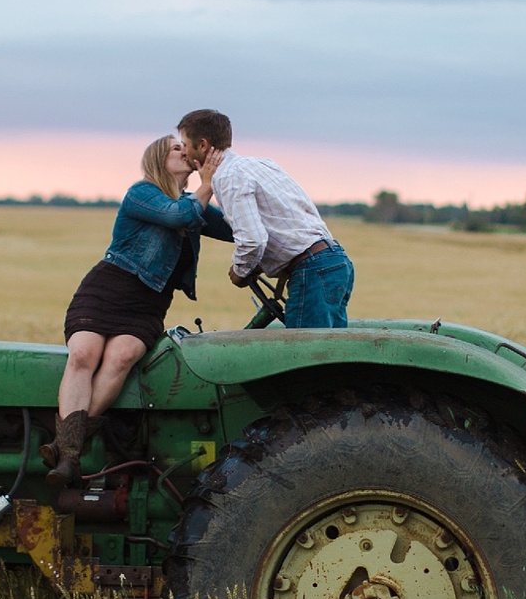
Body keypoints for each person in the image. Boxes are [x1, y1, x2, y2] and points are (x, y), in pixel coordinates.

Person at [45, 135, 232, 487]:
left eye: (186, 147)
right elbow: (179, 215)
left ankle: (64, 447)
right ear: (159, 159)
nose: (184, 151)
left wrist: (223, 180)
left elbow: (234, 227)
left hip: (147, 304)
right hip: (107, 290)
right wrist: (206, 184)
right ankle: (70, 455)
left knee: (121, 357)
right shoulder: (142, 193)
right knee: (84, 354)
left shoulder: (197, 204)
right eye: (176, 148)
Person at [176, 108, 354, 329]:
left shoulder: (227, 177)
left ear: (202, 145)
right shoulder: (261, 164)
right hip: (334, 261)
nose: (184, 152)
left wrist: (241, 271)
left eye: (185, 144)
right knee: (331, 356)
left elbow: (253, 239)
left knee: (304, 357)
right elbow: (295, 220)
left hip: (312, 270)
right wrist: (260, 265)